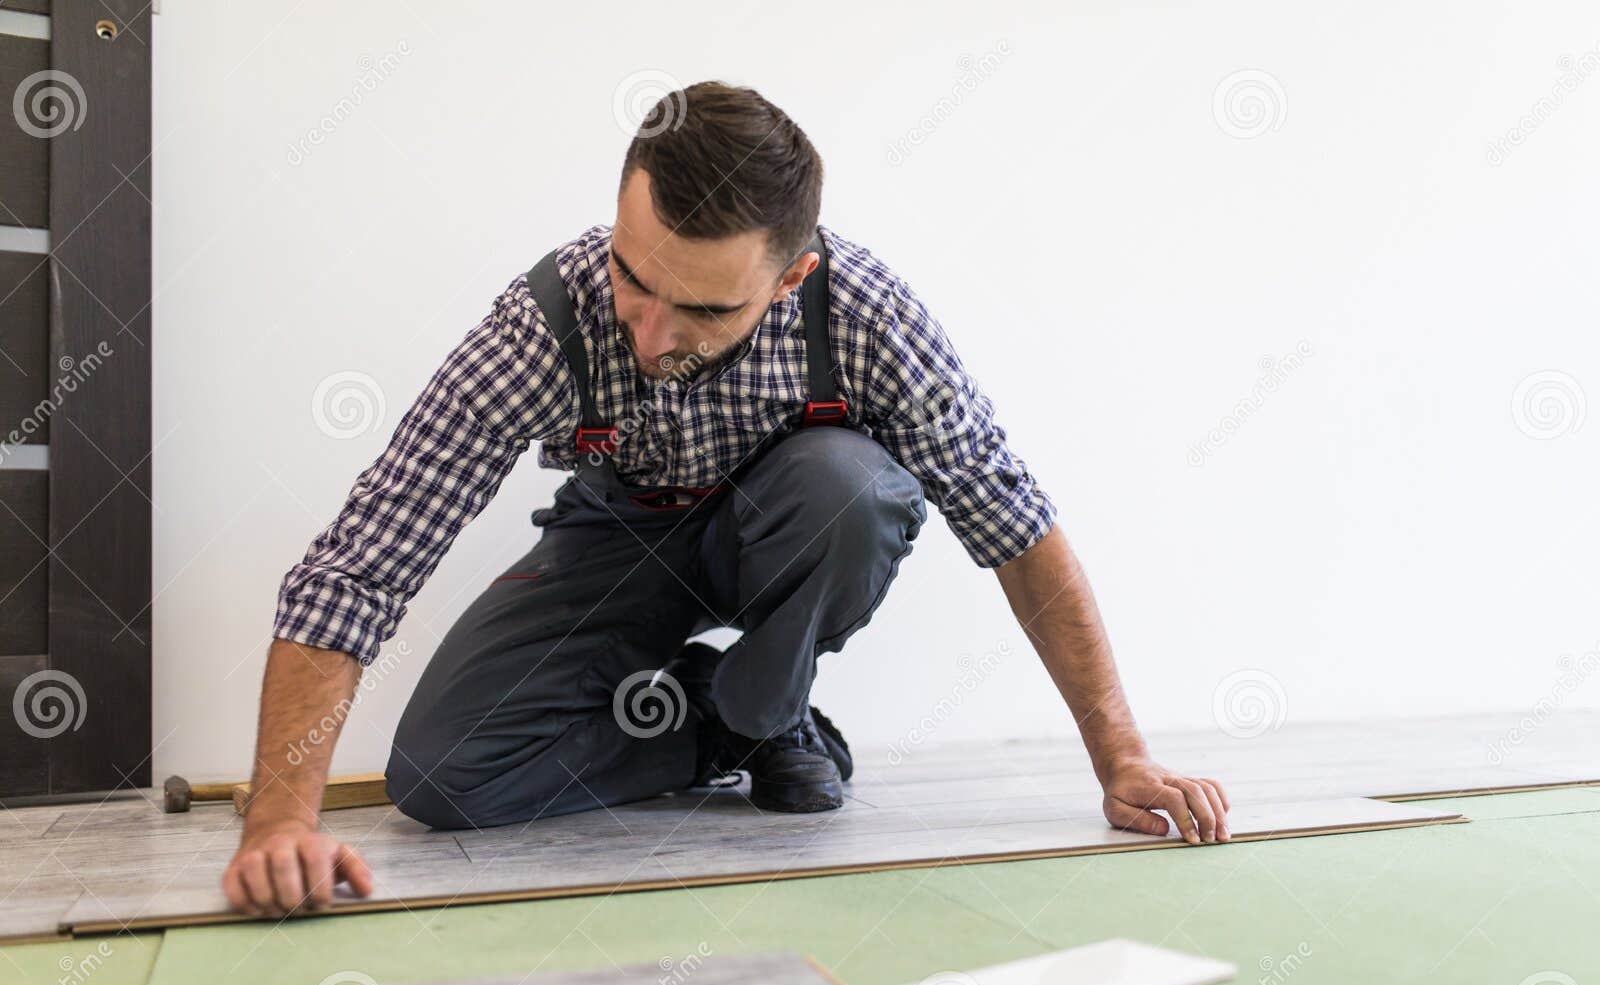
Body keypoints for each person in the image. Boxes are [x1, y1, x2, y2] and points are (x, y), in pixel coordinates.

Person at [222, 81, 1229, 917]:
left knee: (850, 490)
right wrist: (279, 822)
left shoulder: (869, 316)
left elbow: (1013, 525)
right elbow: (363, 563)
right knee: (442, 778)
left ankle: (765, 694)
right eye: (632, 280)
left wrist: (1123, 758)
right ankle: (724, 718)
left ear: (790, 276)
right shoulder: (545, 322)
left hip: (782, 532)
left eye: (703, 306)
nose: (651, 335)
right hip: (616, 535)